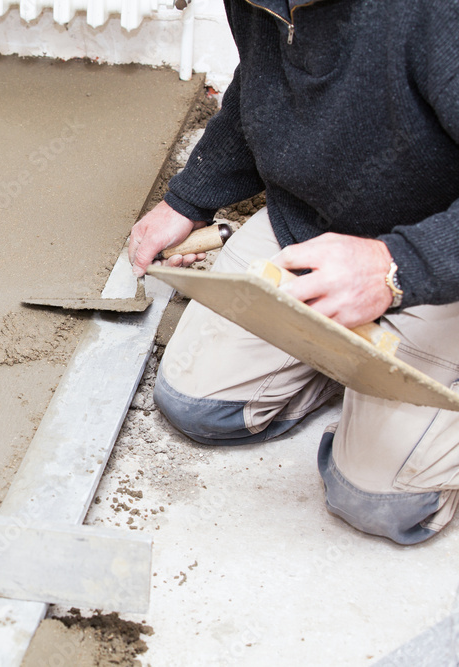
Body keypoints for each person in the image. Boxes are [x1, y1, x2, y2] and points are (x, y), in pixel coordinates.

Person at [126, 0, 459, 545]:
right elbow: (259, 87)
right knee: (198, 406)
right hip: (316, 227)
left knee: (378, 503)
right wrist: (189, 200)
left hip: (438, 255)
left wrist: (395, 267)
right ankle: (348, 358)